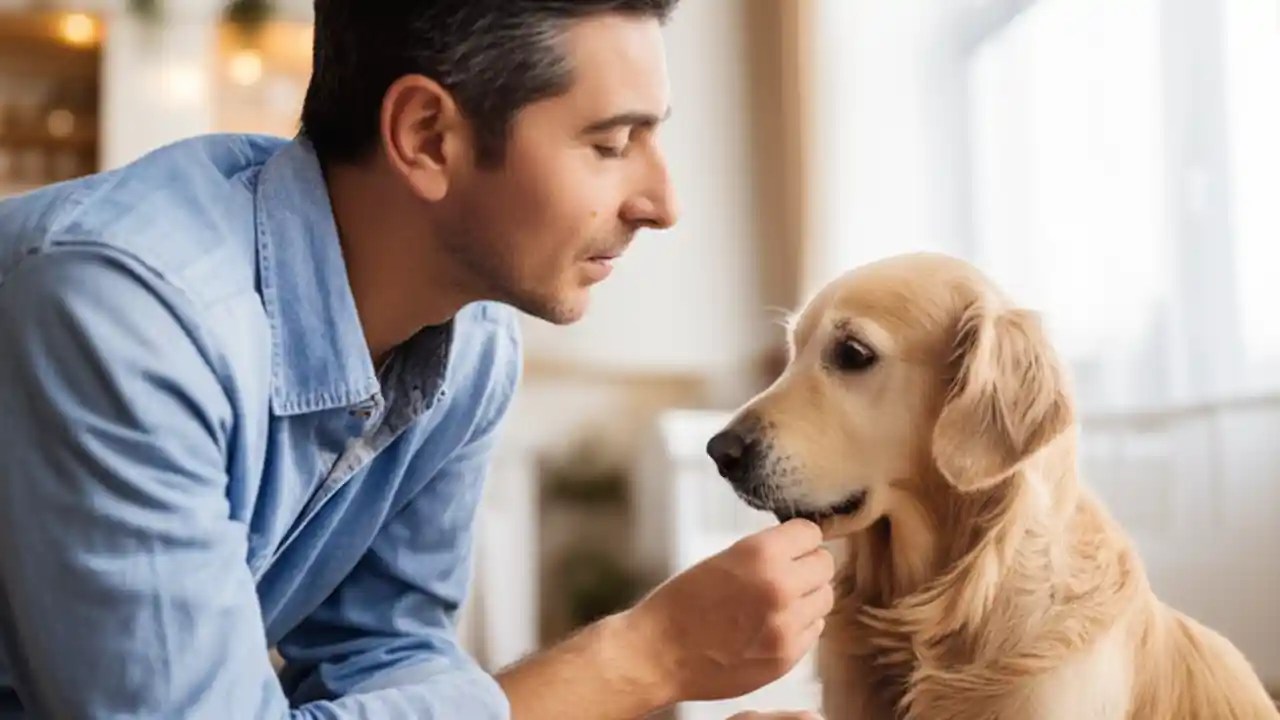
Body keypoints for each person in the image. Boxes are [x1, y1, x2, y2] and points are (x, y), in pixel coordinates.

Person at [0, 1, 835, 718]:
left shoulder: (469, 346)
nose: (663, 203)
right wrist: (641, 657)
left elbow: (386, 659)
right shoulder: (125, 315)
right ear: (426, 135)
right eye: (612, 144)